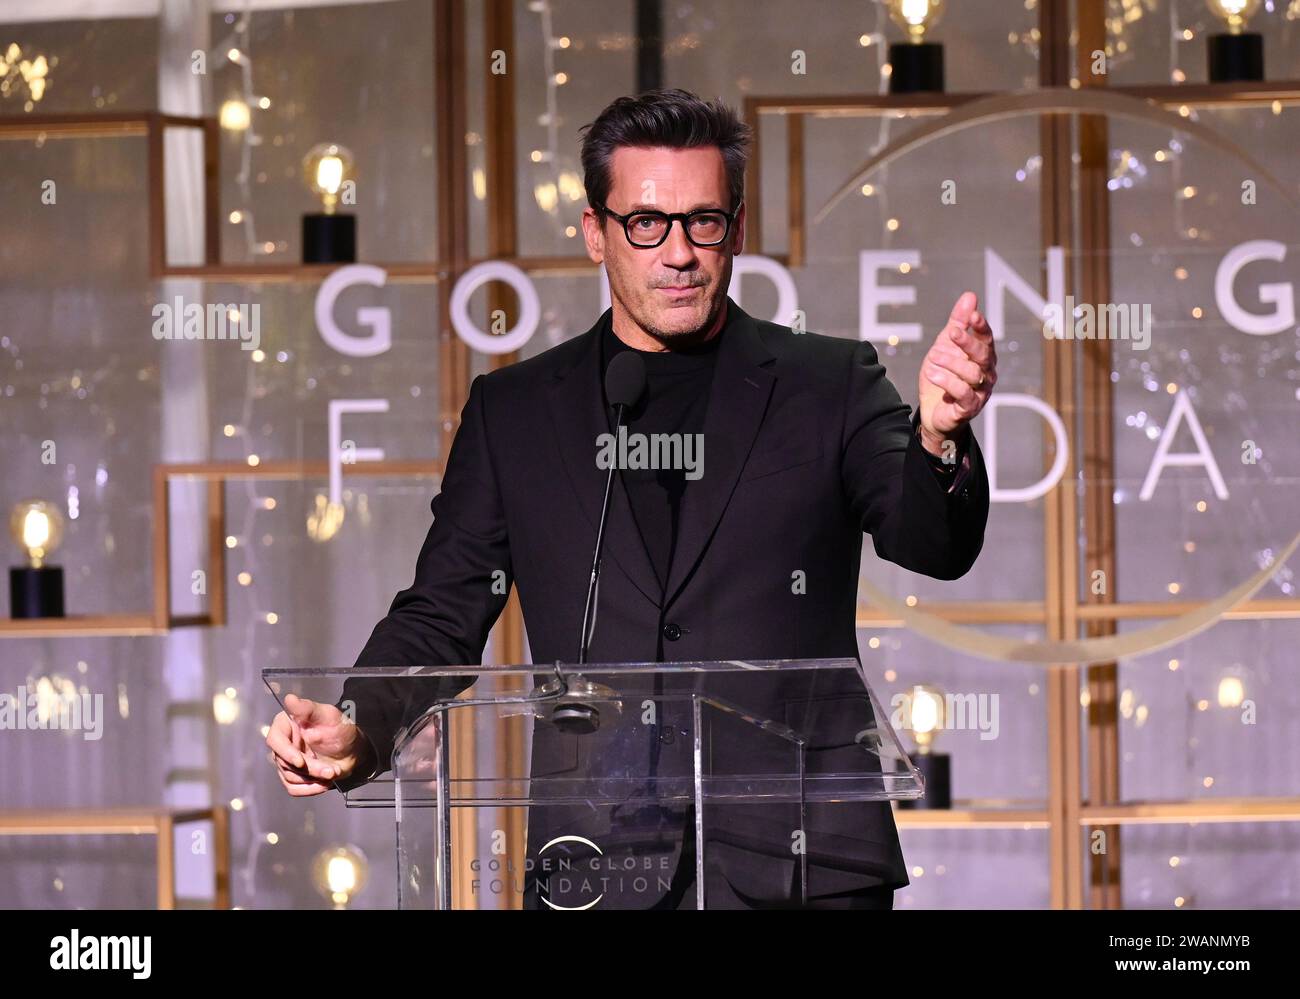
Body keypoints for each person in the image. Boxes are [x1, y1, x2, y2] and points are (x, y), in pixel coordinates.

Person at [266, 87, 997, 909]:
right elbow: (443, 610)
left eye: (703, 221)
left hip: (802, 866)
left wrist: (937, 437)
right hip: (597, 863)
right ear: (595, 233)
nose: (677, 251)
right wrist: (359, 724)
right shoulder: (517, 413)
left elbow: (933, 544)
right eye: (647, 223)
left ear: (738, 230)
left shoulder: (827, 383)